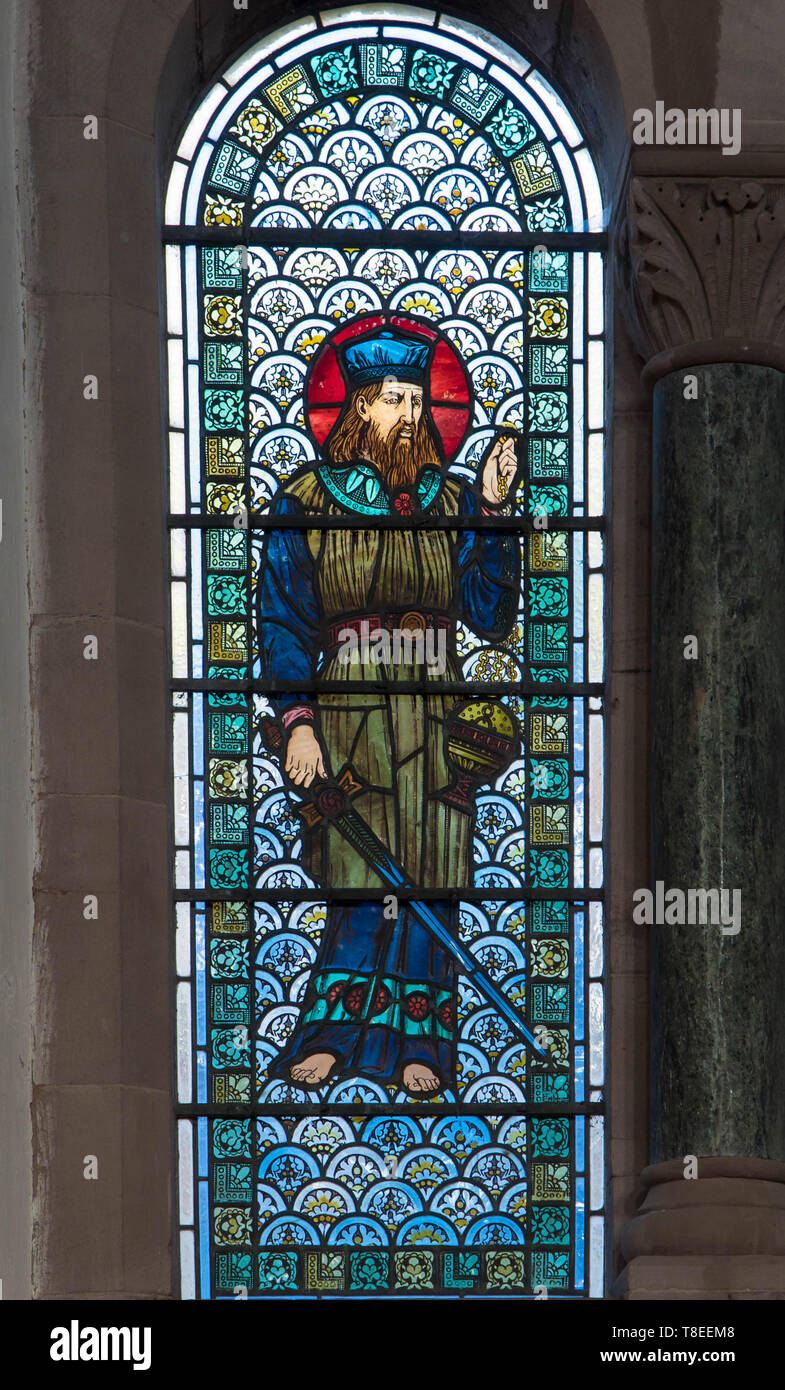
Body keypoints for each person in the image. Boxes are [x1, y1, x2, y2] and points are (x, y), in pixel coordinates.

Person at [258, 325, 520, 1095]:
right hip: (349, 712)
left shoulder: (453, 499)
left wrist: (495, 515)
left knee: (430, 877)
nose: (410, 414)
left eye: (418, 399)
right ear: (356, 410)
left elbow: (488, 615)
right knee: (357, 875)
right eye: (393, 400)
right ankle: (333, 1037)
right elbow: (281, 620)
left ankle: (425, 1049)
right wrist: (297, 721)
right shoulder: (305, 500)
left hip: (436, 714)